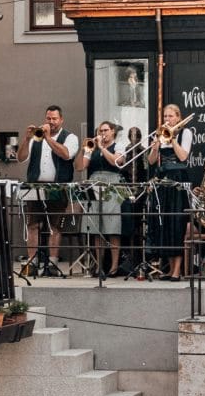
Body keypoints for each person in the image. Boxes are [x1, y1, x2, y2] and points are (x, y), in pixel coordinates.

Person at [22, 105, 79, 277]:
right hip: (36, 186)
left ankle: (52, 263)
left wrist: (48, 139)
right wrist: (26, 139)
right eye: (48, 118)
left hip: (57, 186)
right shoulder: (35, 137)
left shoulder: (70, 137)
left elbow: (66, 154)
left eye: (54, 119)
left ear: (61, 120)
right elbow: (20, 158)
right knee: (33, 224)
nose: (51, 122)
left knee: (55, 225)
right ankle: (32, 262)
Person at [143, 105, 196, 279]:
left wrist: (172, 138)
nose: (167, 119)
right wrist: (156, 146)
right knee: (164, 223)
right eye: (165, 116)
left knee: (176, 223)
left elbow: (183, 157)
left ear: (178, 117)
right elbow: (151, 161)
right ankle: (169, 268)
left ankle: (177, 270)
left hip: (177, 178)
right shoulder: (160, 133)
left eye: (171, 116)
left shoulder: (185, 133)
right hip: (162, 179)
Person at [78, 120, 128, 277]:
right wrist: (83, 150)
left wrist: (102, 148)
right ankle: (99, 266)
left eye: (106, 130)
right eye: (100, 131)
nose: (102, 134)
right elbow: (80, 166)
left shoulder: (118, 146)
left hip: (112, 184)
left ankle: (113, 266)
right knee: (96, 227)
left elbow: (118, 162)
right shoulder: (92, 147)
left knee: (113, 227)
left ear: (113, 132)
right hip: (94, 183)